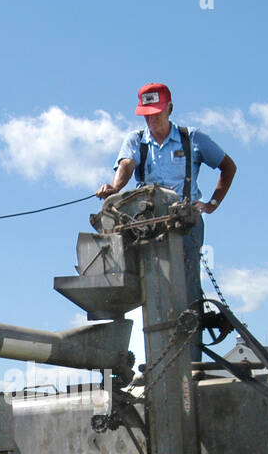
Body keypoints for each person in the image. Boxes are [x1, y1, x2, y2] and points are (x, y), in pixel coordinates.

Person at [96, 82, 237, 321]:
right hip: (147, 225)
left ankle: (189, 326)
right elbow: (127, 164)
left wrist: (212, 204)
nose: (151, 120)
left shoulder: (192, 138)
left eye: (157, 114)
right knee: (149, 284)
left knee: (185, 283)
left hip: (185, 224)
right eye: (147, 115)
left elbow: (228, 167)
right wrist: (116, 187)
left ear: (169, 109)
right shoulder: (136, 140)